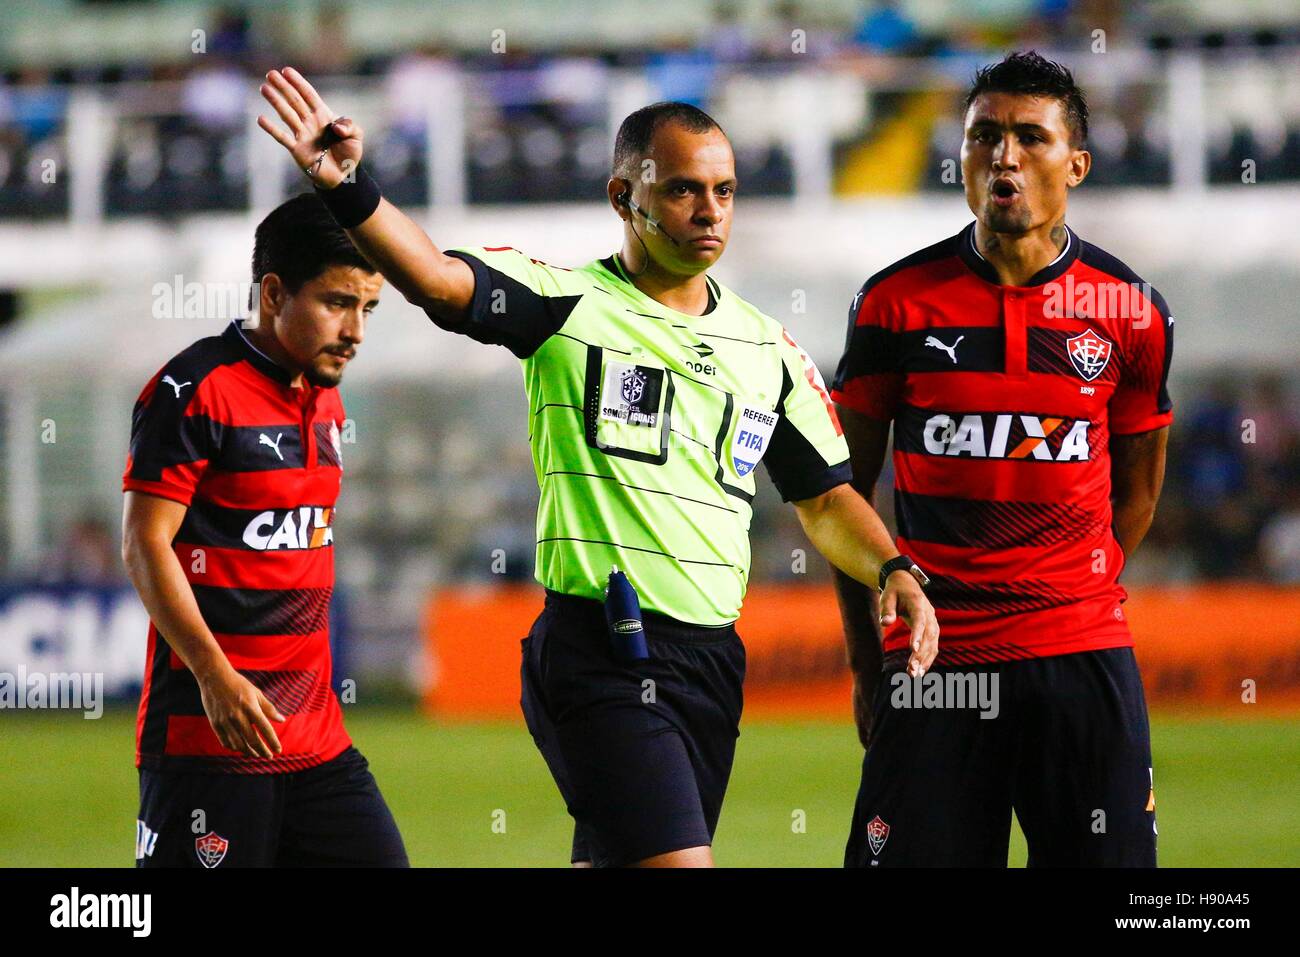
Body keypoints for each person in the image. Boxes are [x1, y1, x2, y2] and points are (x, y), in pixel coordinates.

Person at [256, 66, 939, 868]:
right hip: (603, 650)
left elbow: (827, 500)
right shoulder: (565, 305)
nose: (709, 210)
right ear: (624, 196)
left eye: (723, 190)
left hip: (712, 662)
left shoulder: (769, 350)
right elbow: (437, 281)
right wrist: (349, 187)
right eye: (683, 190)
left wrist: (890, 564)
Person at [831, 51, 1174, 867]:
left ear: (1076, 164)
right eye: (984, 136)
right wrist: (869, 661)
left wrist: (1067, 591)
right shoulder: (892, 303)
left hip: (1080, 657)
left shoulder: (1130, 311)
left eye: (1030, 137)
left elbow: (1138, 492)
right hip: (936, 660)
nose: (1003, 156)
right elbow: (841, 491)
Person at [121, 194, 407, 868]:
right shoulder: (194, 388)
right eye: (337, 303)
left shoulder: (326, 396)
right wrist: (215, 677)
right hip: (209, 745)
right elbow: (144, 543)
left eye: (368, 309)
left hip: (318, 745)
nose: (355, 330)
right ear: (274, 293)